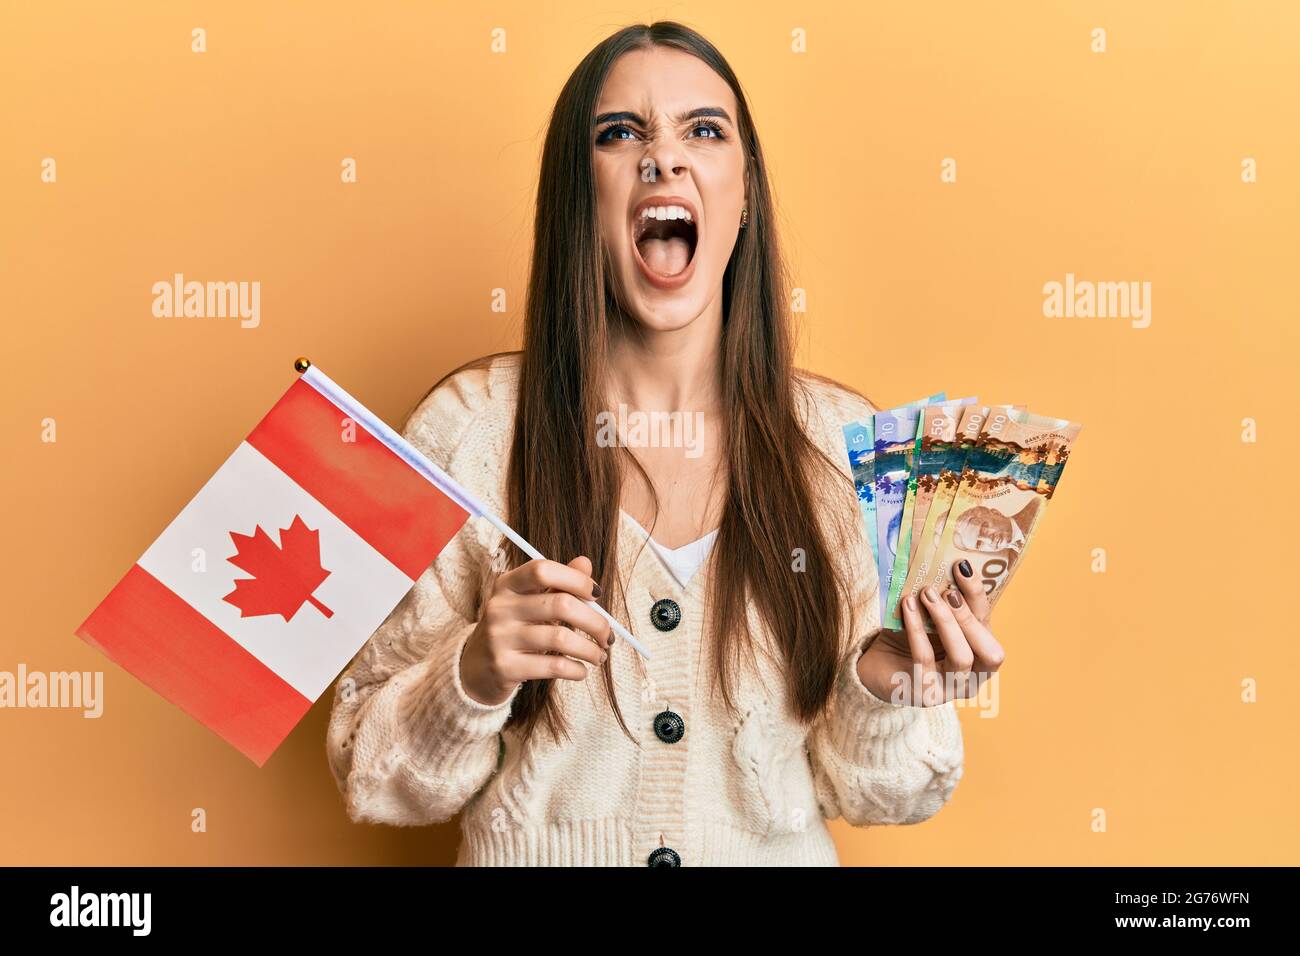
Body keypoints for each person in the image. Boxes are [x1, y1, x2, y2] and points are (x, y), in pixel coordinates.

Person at [325, 20, 1006, 867]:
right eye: (620, 135)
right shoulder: (468, 431)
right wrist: (473, 672)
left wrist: (890, 678)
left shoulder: (845, 449)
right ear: (581, 194)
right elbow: (372, 772)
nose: (663, 158)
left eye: (704, 131)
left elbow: (884, 793)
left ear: (744, 192)